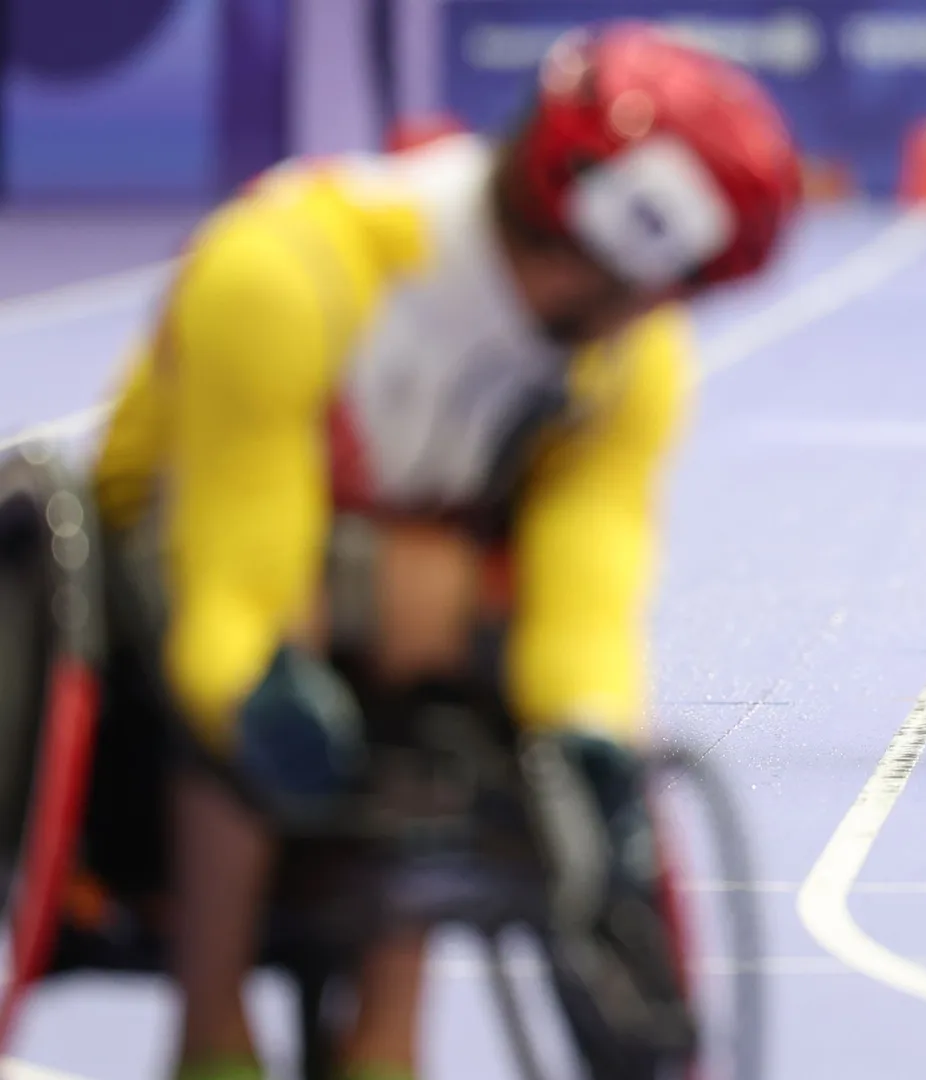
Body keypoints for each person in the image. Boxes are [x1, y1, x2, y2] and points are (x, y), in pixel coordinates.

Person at [72, 20, 800, 1080]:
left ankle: (384, 1044)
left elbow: (587, 578)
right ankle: (212, 1032)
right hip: (160, 568)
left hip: (404, 576)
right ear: (605, 233)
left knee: (440, 593)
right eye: (669, 282)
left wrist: (591, 731)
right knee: (380, 595)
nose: (666, 313)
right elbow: (238, 564)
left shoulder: (629, 361)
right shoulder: (281, 271)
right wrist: (251, 686)